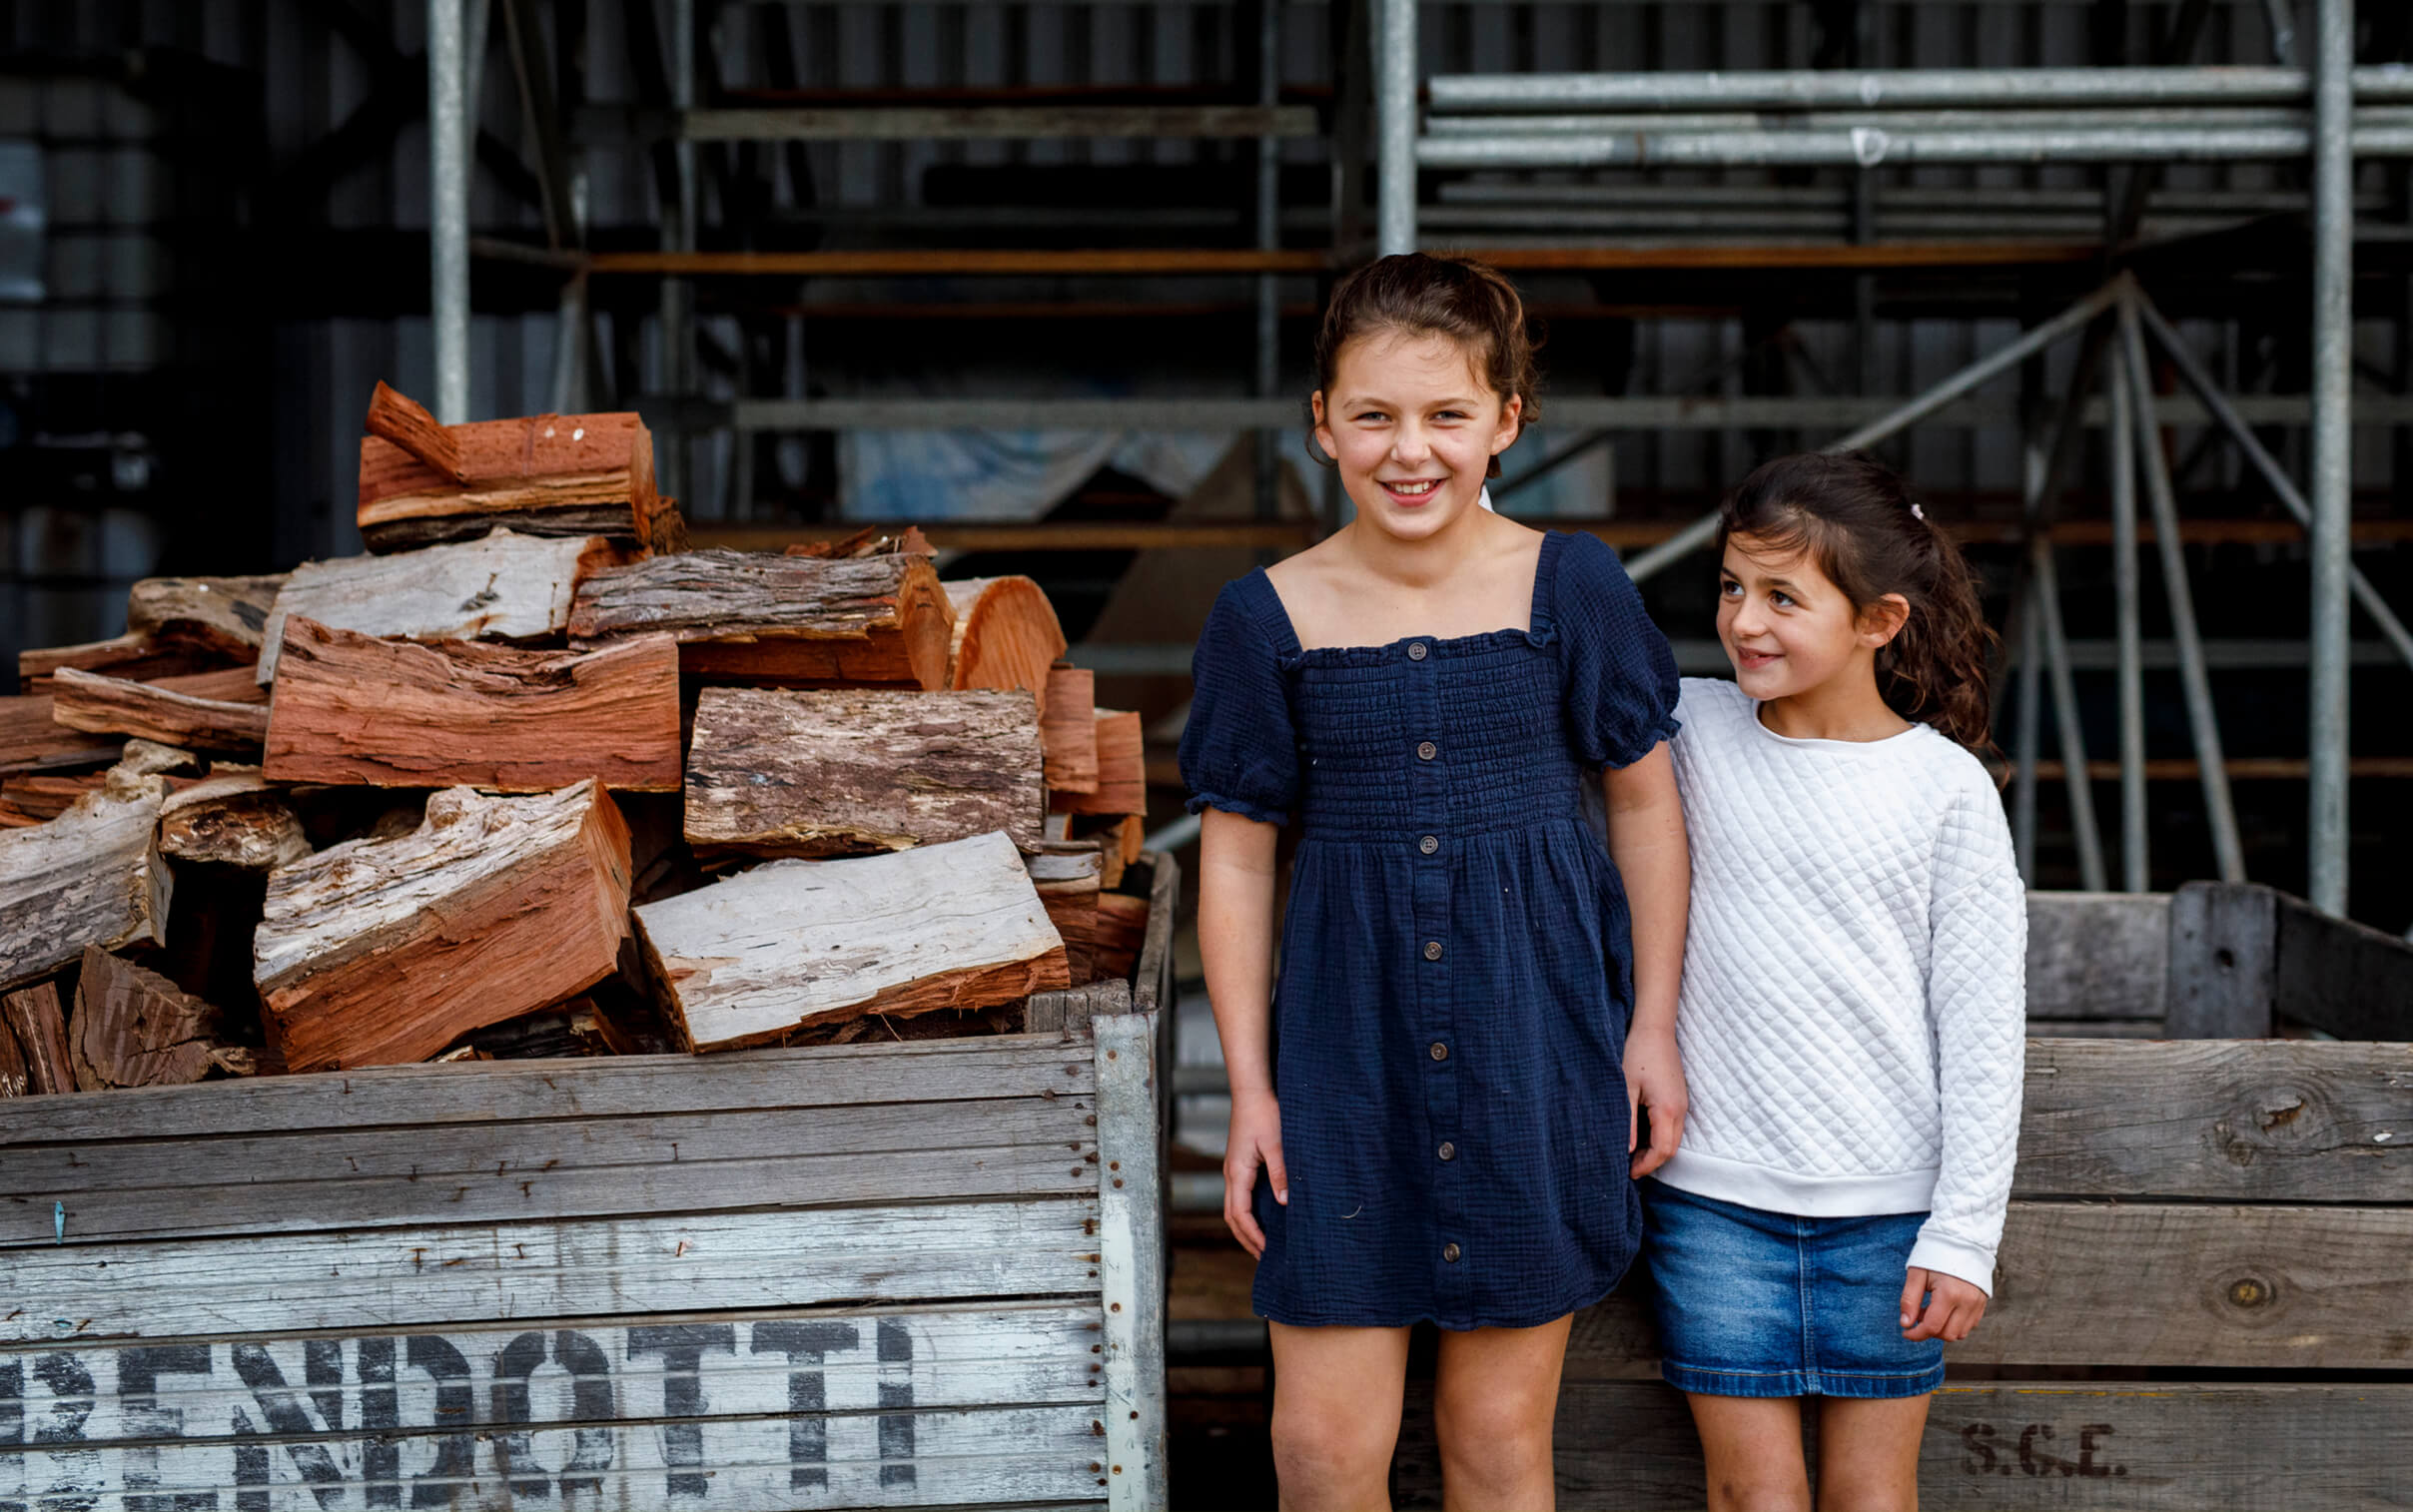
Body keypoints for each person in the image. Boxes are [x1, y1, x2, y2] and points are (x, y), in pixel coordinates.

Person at [1179, 252, 1692, 1511]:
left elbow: (1647, 809)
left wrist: (1652, 1027)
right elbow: (1238, 860)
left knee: (1496, 1444)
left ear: (1506, 420)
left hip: (1536, 1057)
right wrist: (1250, 1090)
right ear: (1322, 425)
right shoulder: (1265, 617)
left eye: (1447, 414)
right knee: (1320, 1452)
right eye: (1374, 415)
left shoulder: (1570, 588)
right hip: (1343, 1075)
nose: (1411, 450)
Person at [1647, 451, 2027, 1512]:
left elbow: (1984, 1029)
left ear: (1878, 618)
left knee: (1871, 1494)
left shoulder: (1944, 789)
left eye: (1783, 595)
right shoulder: (1686, 730)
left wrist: (1962, 1234)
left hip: (1889, 1222)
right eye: (1730, 585)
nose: (1744, 620)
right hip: (1714, 1204)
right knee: (1749, 1494)